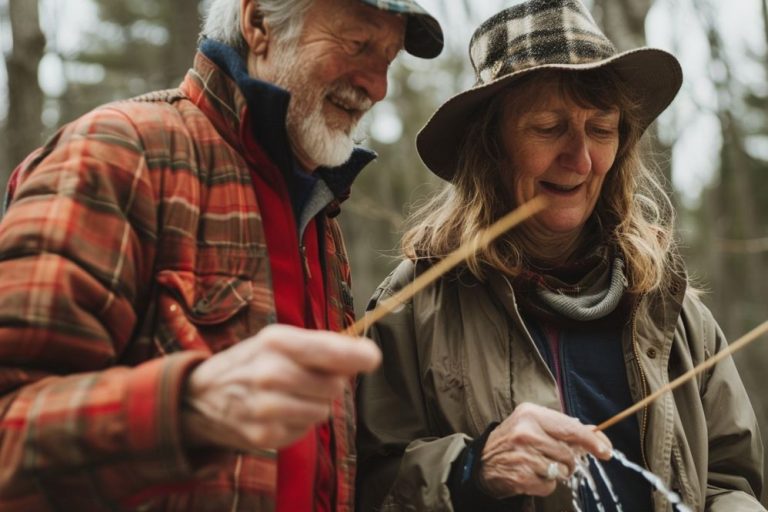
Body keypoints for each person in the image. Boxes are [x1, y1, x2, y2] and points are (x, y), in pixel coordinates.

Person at [0, 0, 443, 510]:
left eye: (386, 60)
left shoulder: (319, 213)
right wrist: (189, 409)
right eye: (357, 45)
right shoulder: (119, 154)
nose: (377, 87)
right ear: (258, 25)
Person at [356, 0, 765, 510]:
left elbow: (730, 481)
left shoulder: (671, 310)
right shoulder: (414, 306)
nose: (582, 159)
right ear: (491, 148)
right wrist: (471, 469)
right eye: (549, 128)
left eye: (601, 129)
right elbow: (363, 483)